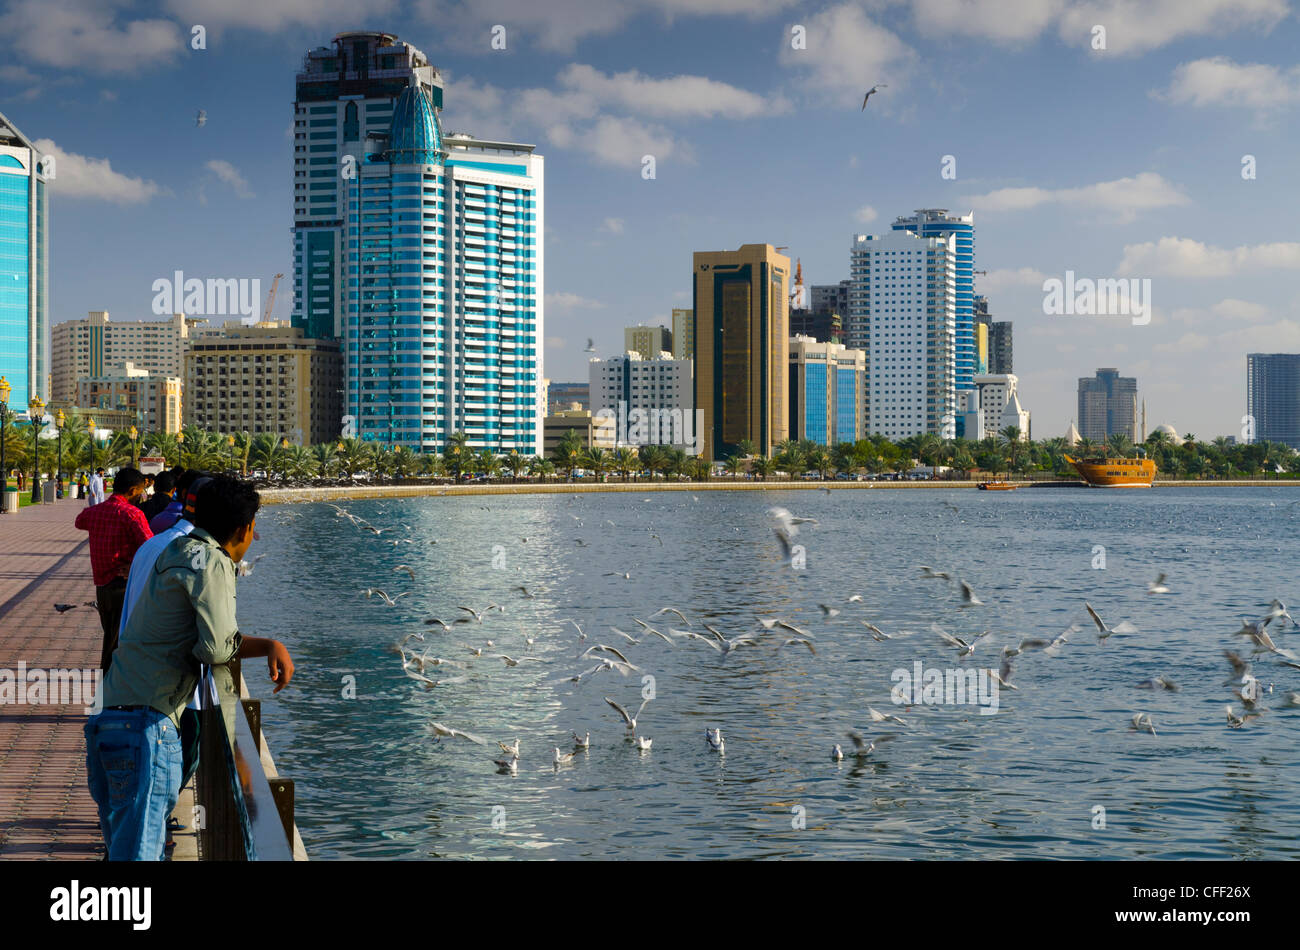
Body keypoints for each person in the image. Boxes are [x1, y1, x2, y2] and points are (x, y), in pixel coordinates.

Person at [85, 475, 294, 861]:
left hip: (108, 717)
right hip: (148, 726)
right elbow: (216, 648)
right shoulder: (213, 560)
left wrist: (266, 646)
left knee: (123, 851)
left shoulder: (175, 549)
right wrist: (268, 646)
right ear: (244, 528)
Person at [73, 468, 153, 671]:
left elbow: (79, 521)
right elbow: (152, 548)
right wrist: (134, 563)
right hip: (123, 585)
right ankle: (110, 685)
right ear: (133, 490)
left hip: (102, 585)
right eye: (141, 491)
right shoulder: (133, 514)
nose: (142, 496)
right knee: (116, 640)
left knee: (111, 631)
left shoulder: (95, 512)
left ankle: (111, 682)